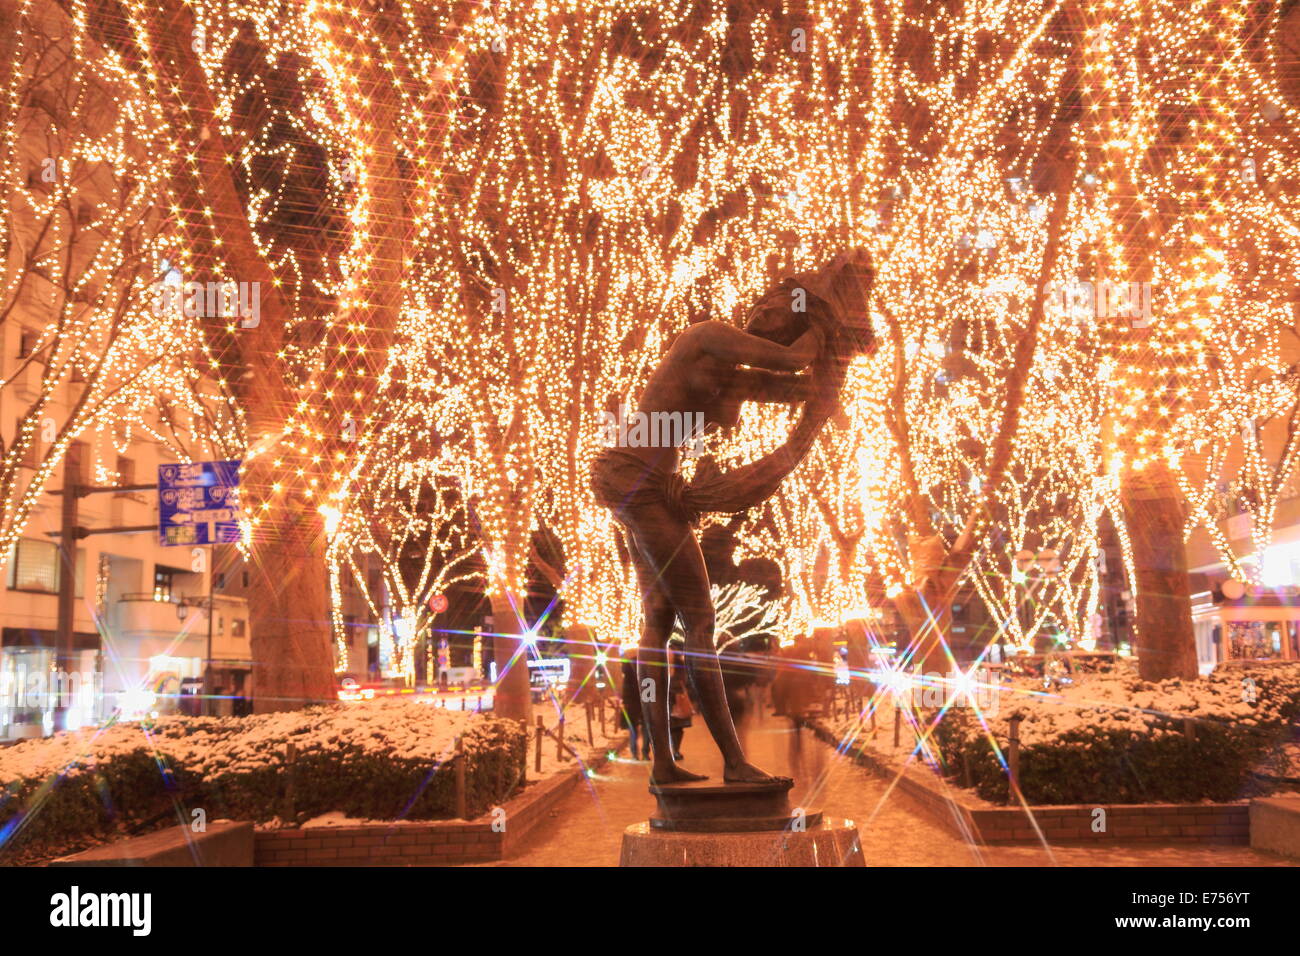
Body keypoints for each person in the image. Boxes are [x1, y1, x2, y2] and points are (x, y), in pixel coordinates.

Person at [590, 250, 875, 785]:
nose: (767, 313)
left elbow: (798, 389)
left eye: (782, 311)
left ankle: (662, 766)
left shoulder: (726, 372)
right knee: (699, 623)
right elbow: (791, 362)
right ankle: (734, 764)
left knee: (656, 622)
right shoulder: (705, 335)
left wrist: (828, 383)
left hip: (639, 483)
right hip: (637, 481)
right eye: (770, 303)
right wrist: (826, 317)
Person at [620, 651, 651, 760]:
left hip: (632, 704)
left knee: (633, 729)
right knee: (646, 728)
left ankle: (634, 753)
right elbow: (649, 685)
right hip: (645, 703)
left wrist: (625, 701)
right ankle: (645, 752)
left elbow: (625, 689)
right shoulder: (647, 668)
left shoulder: (628, 671)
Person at [669, 681, 694, 761]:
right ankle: (675, 751)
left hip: (676, 706)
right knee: (675, 730)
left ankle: (675, 751)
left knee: (676, 730)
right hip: (673, 706)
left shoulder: (678, 675)